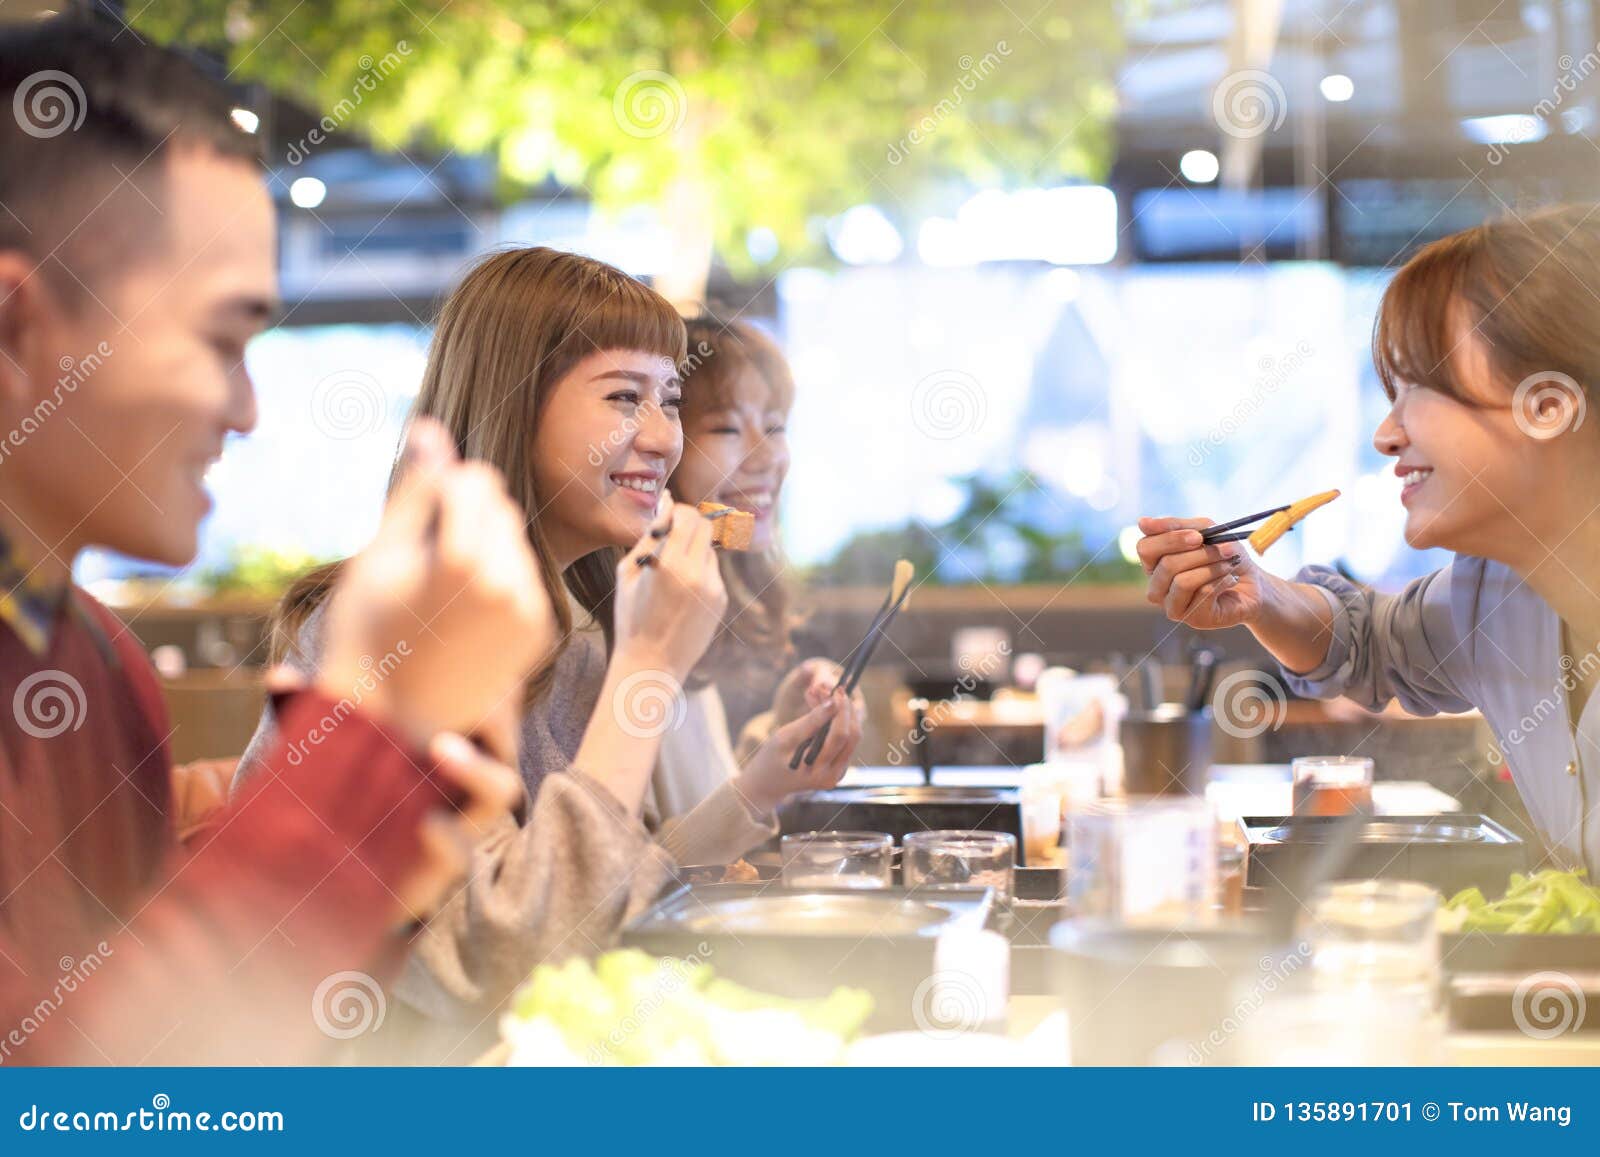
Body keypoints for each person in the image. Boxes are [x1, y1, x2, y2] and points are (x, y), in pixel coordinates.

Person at [0, 15, 557, 1064]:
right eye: (222, 340)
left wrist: (391, 854)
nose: (248, 409)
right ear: (18, 331)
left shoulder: (95, 659)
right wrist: (359, 727)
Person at [234, 249, 861, 1057]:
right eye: (624, 398)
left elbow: (587, 891)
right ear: (513, 401)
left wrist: (750, 792)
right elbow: (504, 965)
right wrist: (651, 663)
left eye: (669, 399)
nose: (663, 437)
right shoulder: (401, 632)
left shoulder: (579, 627)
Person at [1137, 204, 1600, 876]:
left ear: (1550, 401)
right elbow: (1375, 644)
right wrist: (1259, 591)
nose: (1386, 435)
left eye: (1420, 386)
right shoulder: (1494, 592)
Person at [667, 314, 861, 772]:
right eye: (727, 429)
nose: (767, 456)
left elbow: (700, 808)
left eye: (775, 427)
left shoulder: (709, 593)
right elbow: (642, 843)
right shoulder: (637, 619)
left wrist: (785, 728)